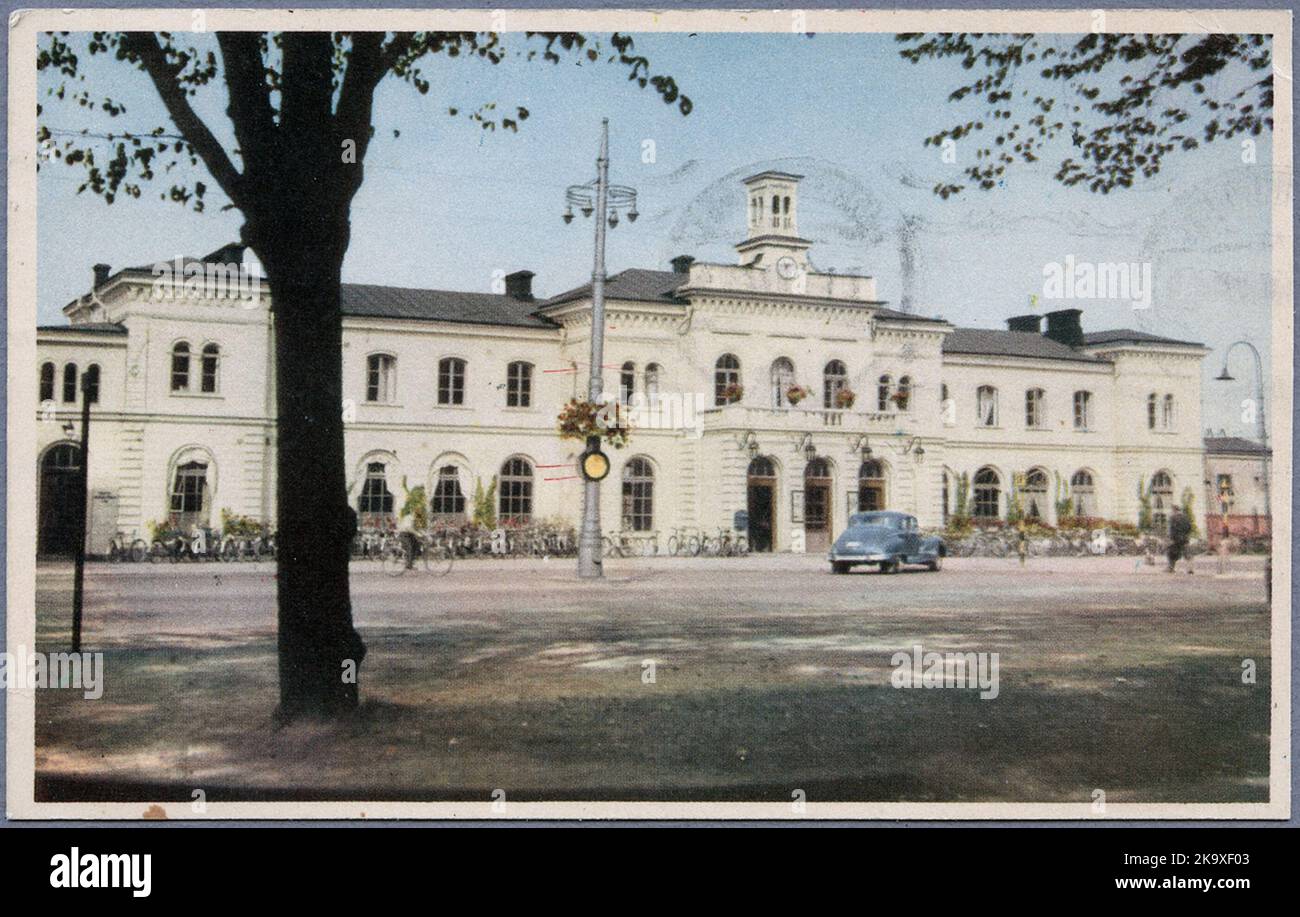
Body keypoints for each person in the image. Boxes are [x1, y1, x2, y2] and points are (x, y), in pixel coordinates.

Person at [1167, 507, 1192, 573]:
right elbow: (1189, 527)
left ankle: (1171, 568)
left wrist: (1171, 538)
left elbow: (1171, 529)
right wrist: (1186, 535)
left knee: (1171, 554)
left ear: (1174, 510)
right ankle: (1190, 569)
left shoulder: (1172, 518)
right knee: (1187, 554)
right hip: (1185, 538)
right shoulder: (1185, 517)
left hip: (1176, 539)